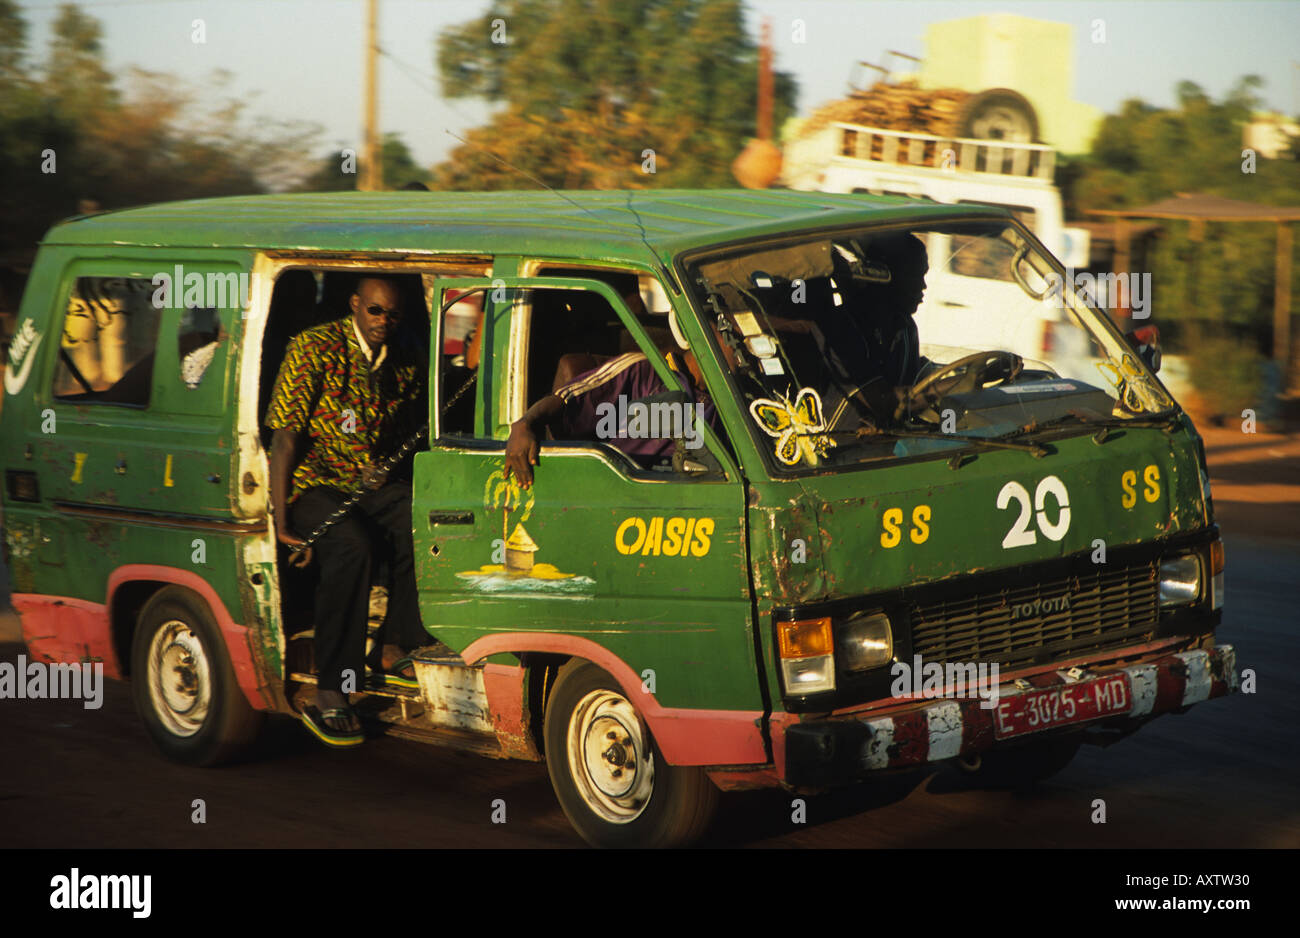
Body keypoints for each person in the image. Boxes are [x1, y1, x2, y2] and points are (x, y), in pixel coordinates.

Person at [265, 276, 428, 747]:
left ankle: (393, 643)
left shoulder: (405, 353)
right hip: (312, 484)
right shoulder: (312, 347)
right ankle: (333, 687)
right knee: (352, 544)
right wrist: (281, 521)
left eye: (392, 314)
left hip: (365, 483)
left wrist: (383, 467)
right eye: (375, 311)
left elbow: (404, 422)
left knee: (421, 518)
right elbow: (285, 439)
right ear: (356, 305)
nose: (384, 322)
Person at [505, 322, 731, 488]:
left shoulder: (734, 399)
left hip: (692, 502)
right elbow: (566, 400)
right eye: (731, 336)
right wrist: (525, 424)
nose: (742, 350)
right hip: (626, 498)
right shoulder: (643, 371)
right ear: (705, 335)